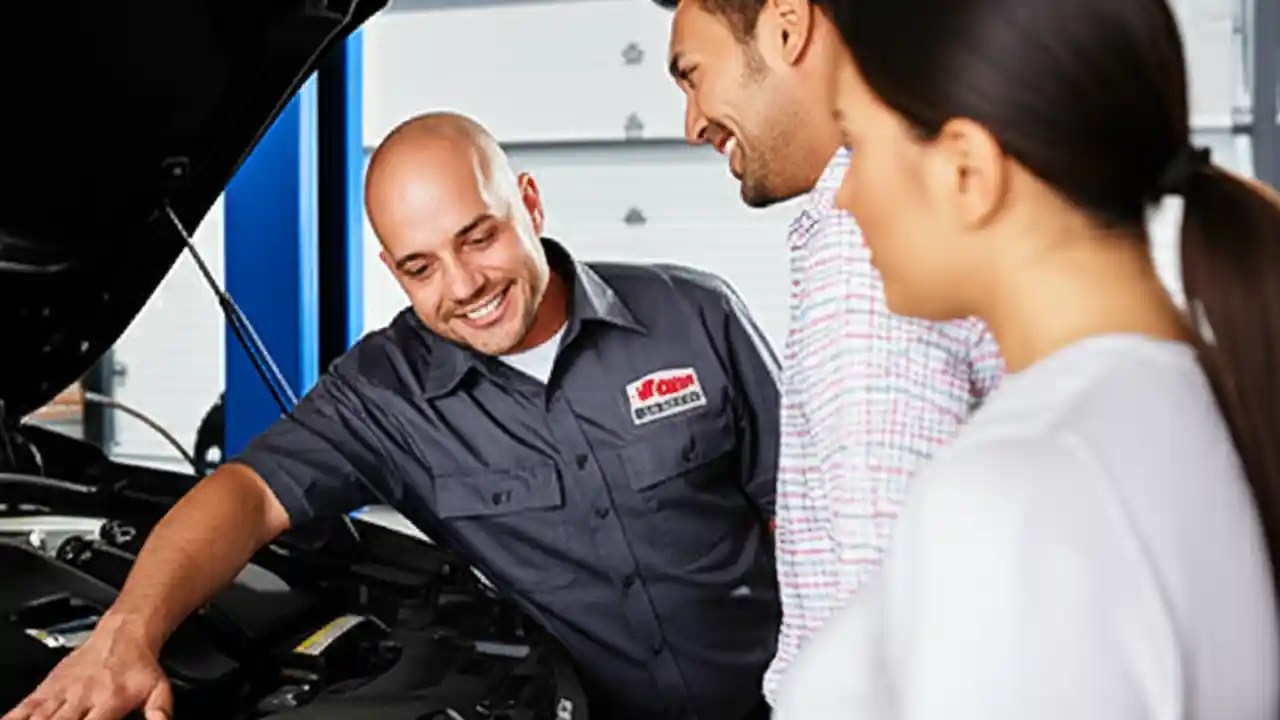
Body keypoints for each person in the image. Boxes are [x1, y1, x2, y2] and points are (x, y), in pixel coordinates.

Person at [3, 112, 782, 720]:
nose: (465, 285)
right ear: (392, 270)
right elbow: (243, 494)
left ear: (530, 204)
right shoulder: (385, 394)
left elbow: (818, 517)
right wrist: (124, 639)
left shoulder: (695, 315)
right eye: (421, 267)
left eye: (478, 238)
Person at [773, 0, 1280, 717]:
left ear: (967, 170)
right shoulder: (1197, 398)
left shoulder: (1022, 483)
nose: (845, 195)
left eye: (855, 142)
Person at [650, 0, 1005, 702]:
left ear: (787, 24)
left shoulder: (864, 242)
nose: (691, 125)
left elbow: (888, 608)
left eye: (692, 75)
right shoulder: (903, 206)